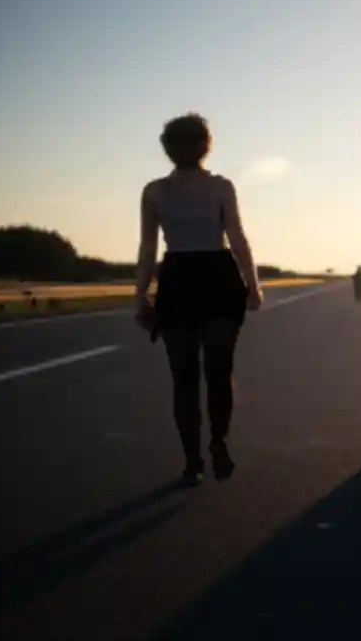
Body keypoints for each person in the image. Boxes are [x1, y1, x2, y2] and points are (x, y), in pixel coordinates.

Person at [134, 113, 263, 486]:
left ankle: (193, 462)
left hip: (179, 279)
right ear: (206, 147)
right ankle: (218, 442)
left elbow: (147, 248)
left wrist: (140, 295)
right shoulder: (221, 187)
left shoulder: (155, 191)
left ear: (167, 149)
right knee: (219, 370)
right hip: (218, 278)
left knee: (185, 376)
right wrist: (252, 284)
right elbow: (237, 237)